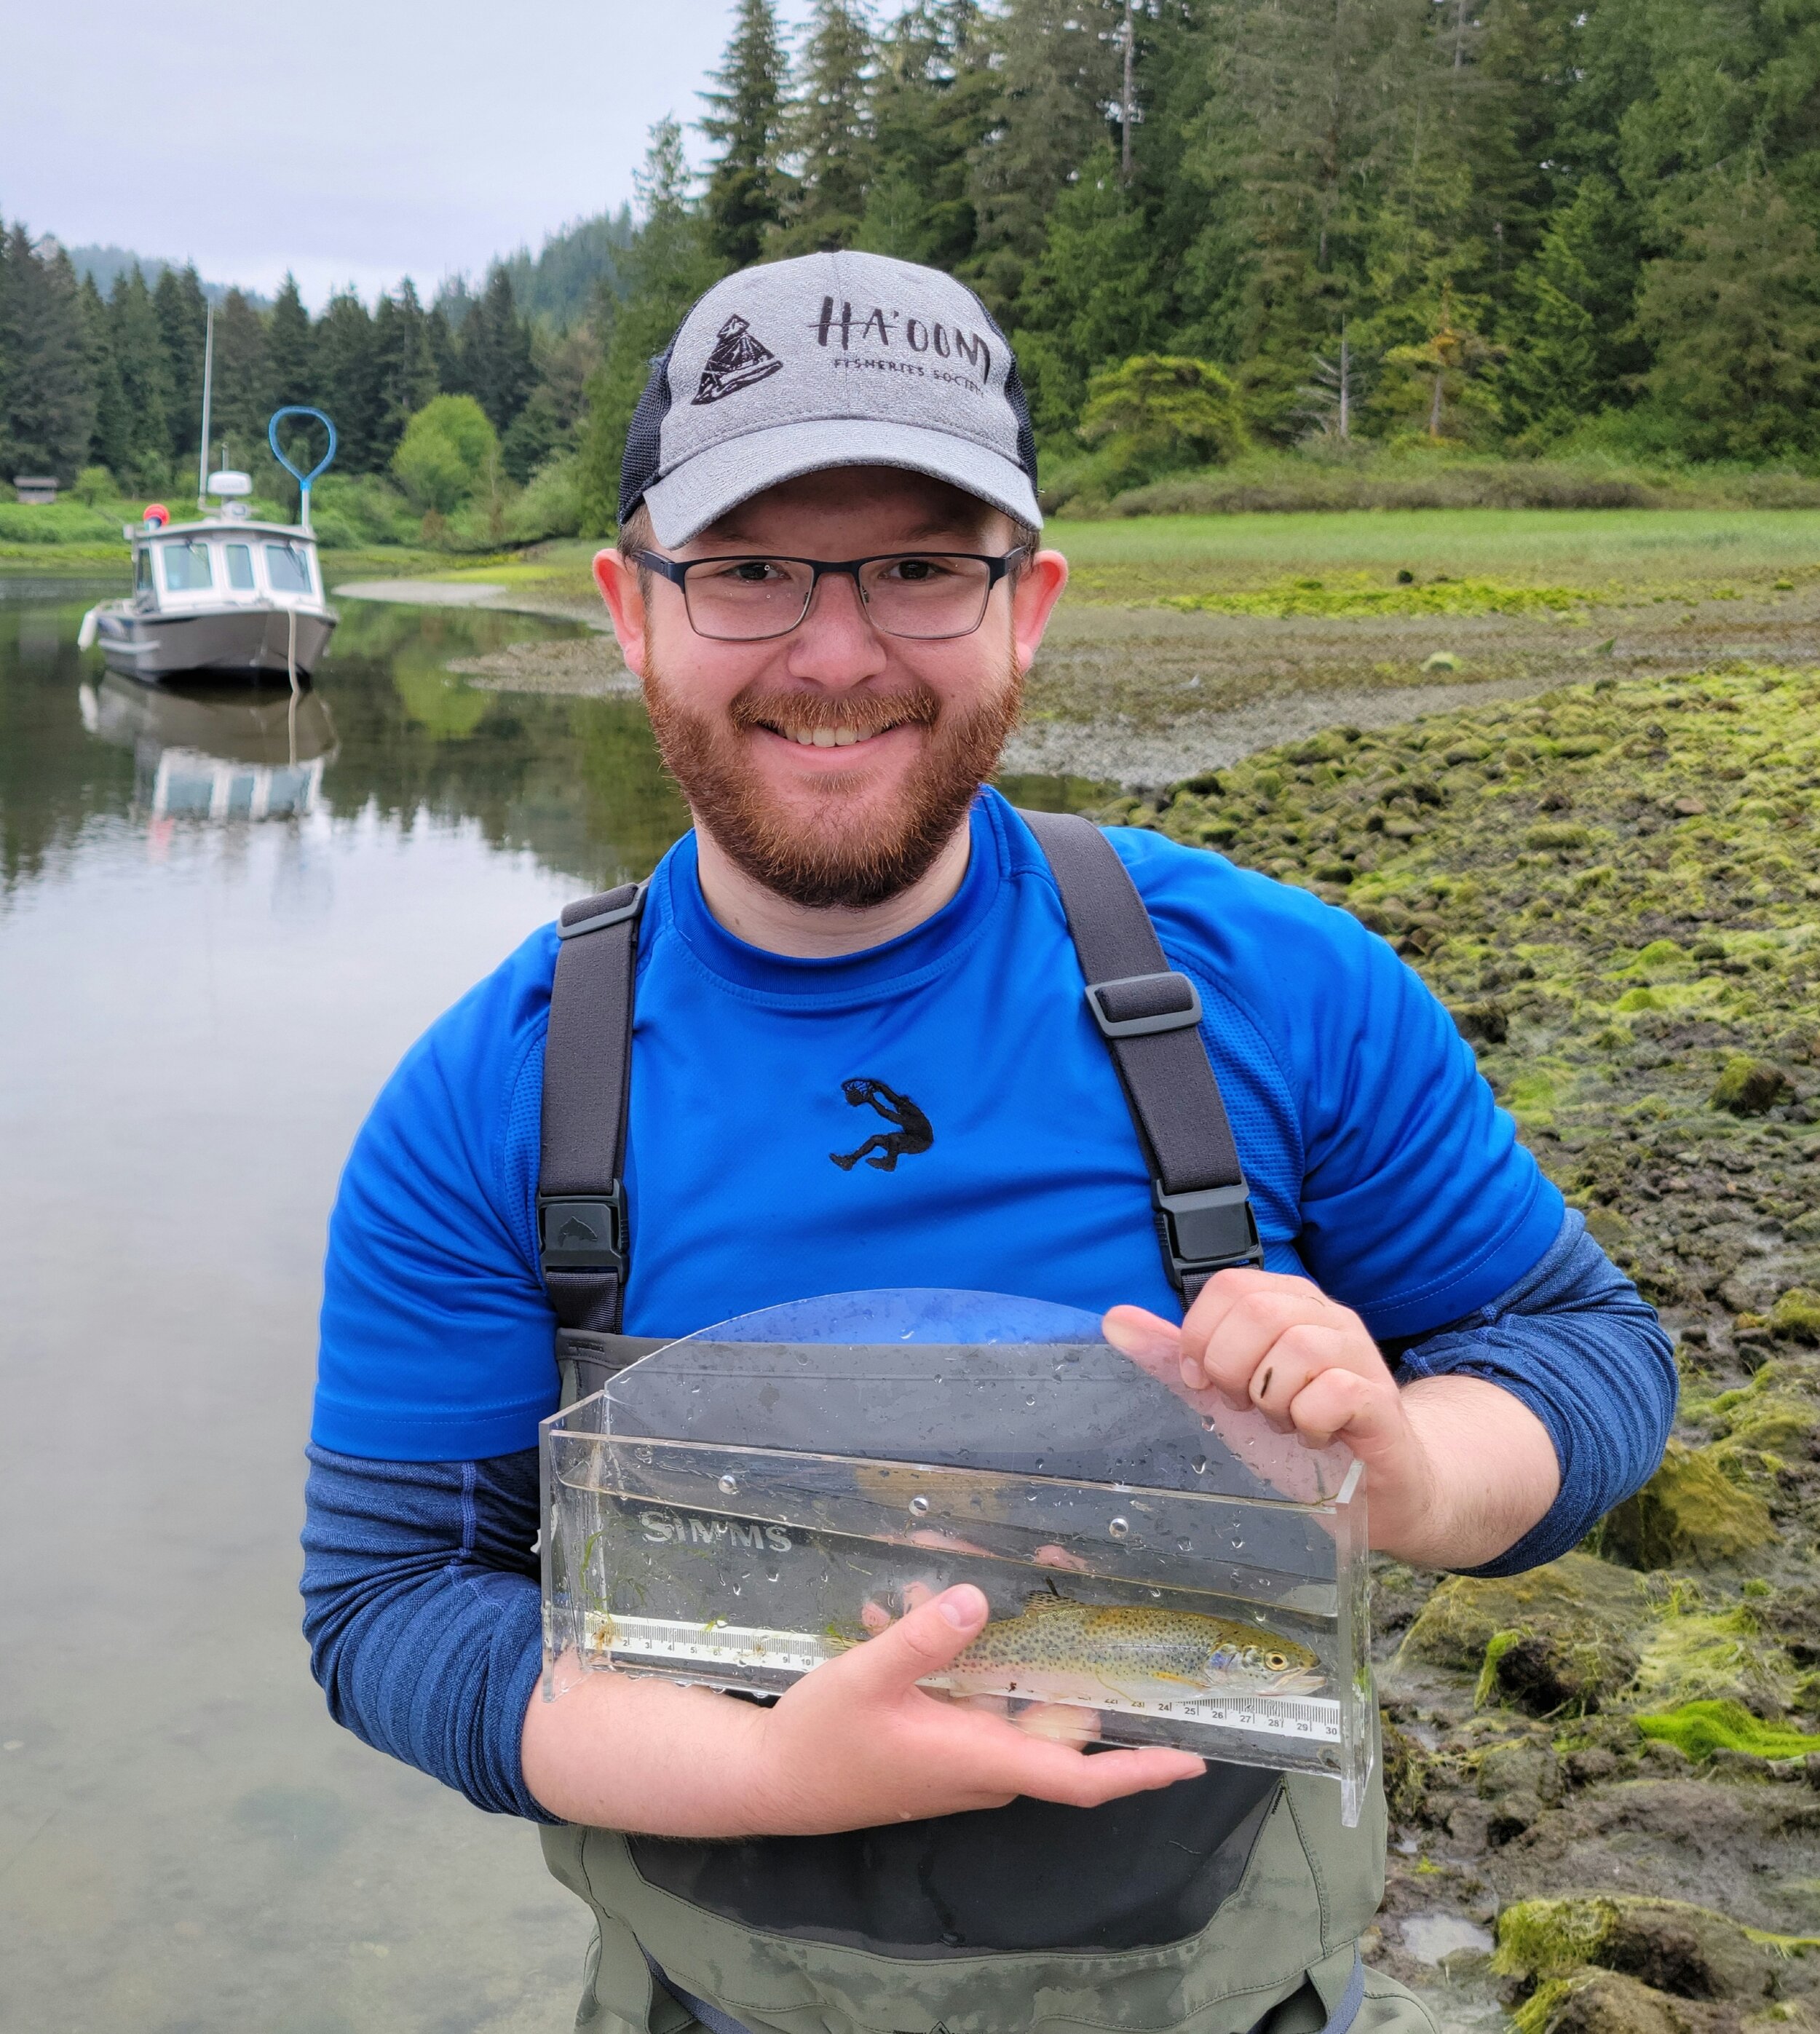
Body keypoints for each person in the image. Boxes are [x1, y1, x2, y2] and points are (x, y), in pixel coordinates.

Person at [303, 250, 1674, 2034]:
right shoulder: (491, 1100)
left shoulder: (1277, 985)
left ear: (1023, 605)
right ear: (628, 610)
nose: (836, 650)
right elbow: (389, 1606)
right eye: (748, 571)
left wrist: (1399, 1465)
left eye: (918, 567)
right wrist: (781, 1774)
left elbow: (1586, 1354)